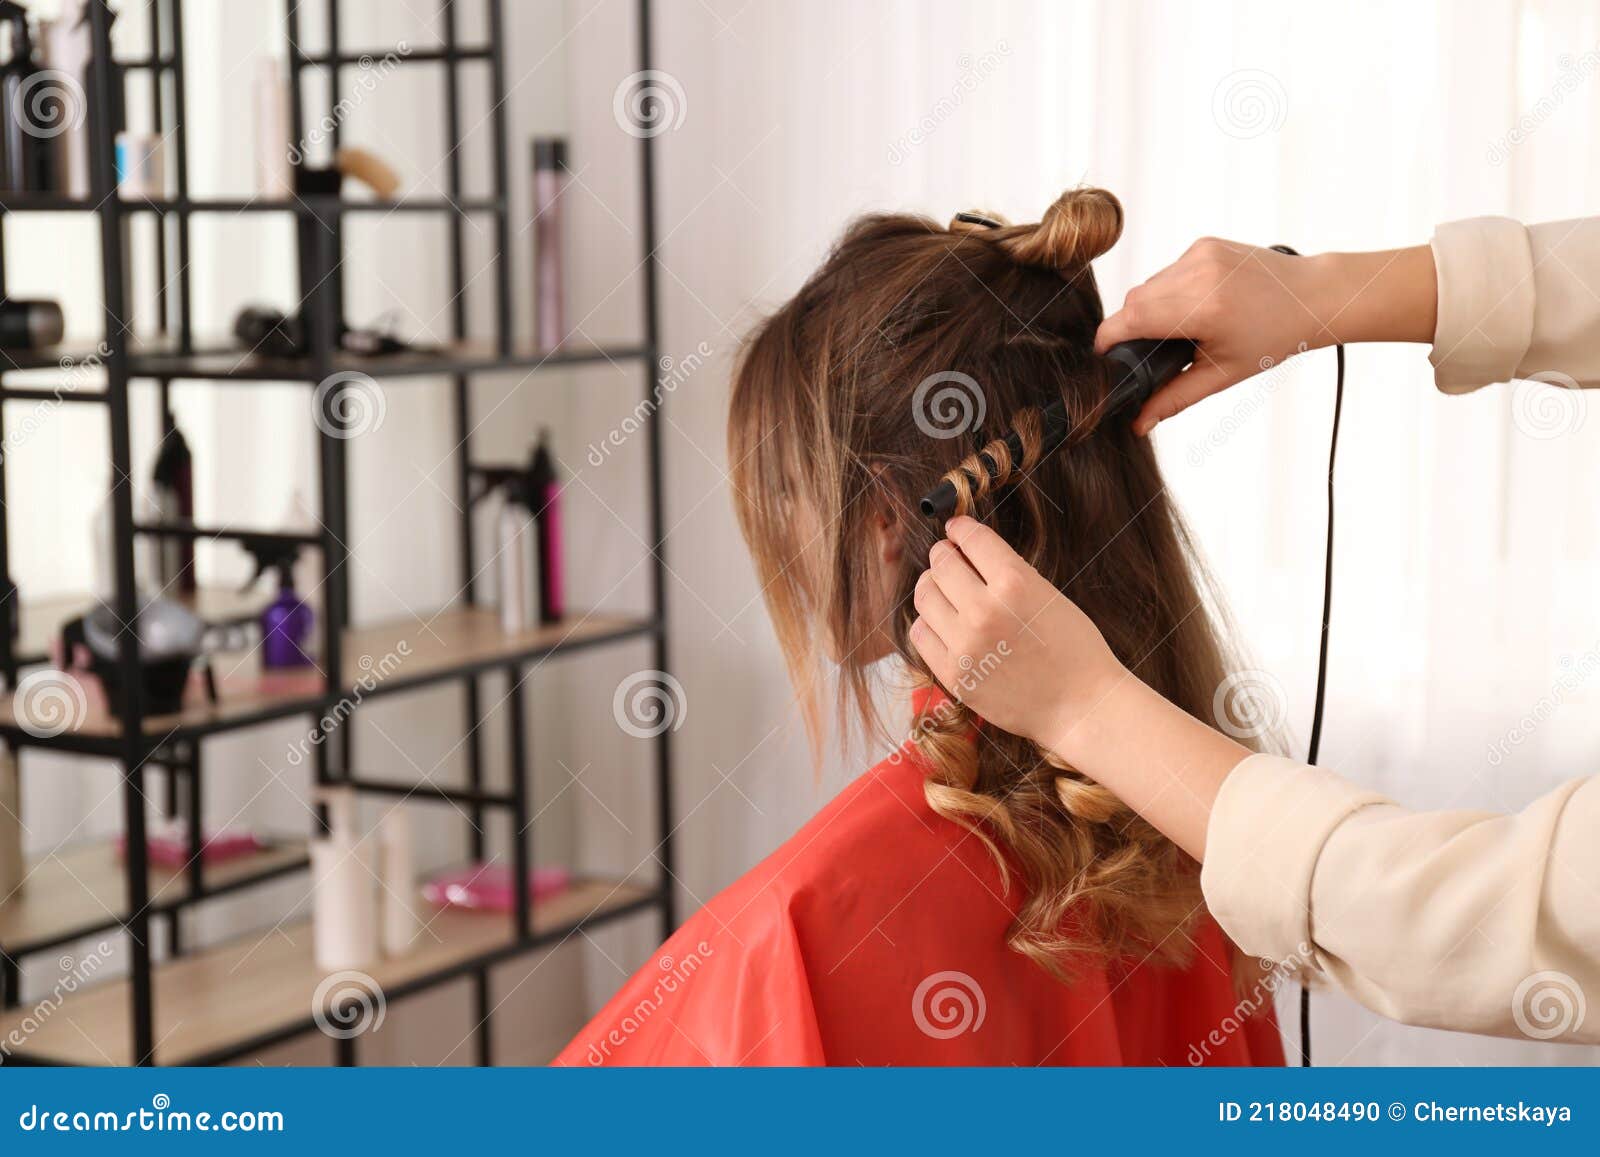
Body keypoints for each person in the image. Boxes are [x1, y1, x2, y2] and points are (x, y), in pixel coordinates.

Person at [555, 190, 1284, 1067]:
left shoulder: (800, 924)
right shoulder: (1216, 834)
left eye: (788, 488)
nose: (773, 532)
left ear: (888, 520)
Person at [910, 216, 1600, 1044]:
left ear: (884, 518)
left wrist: (1087, 709)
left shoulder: (786, 922)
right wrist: (1336, 293)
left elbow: (1492, 921)